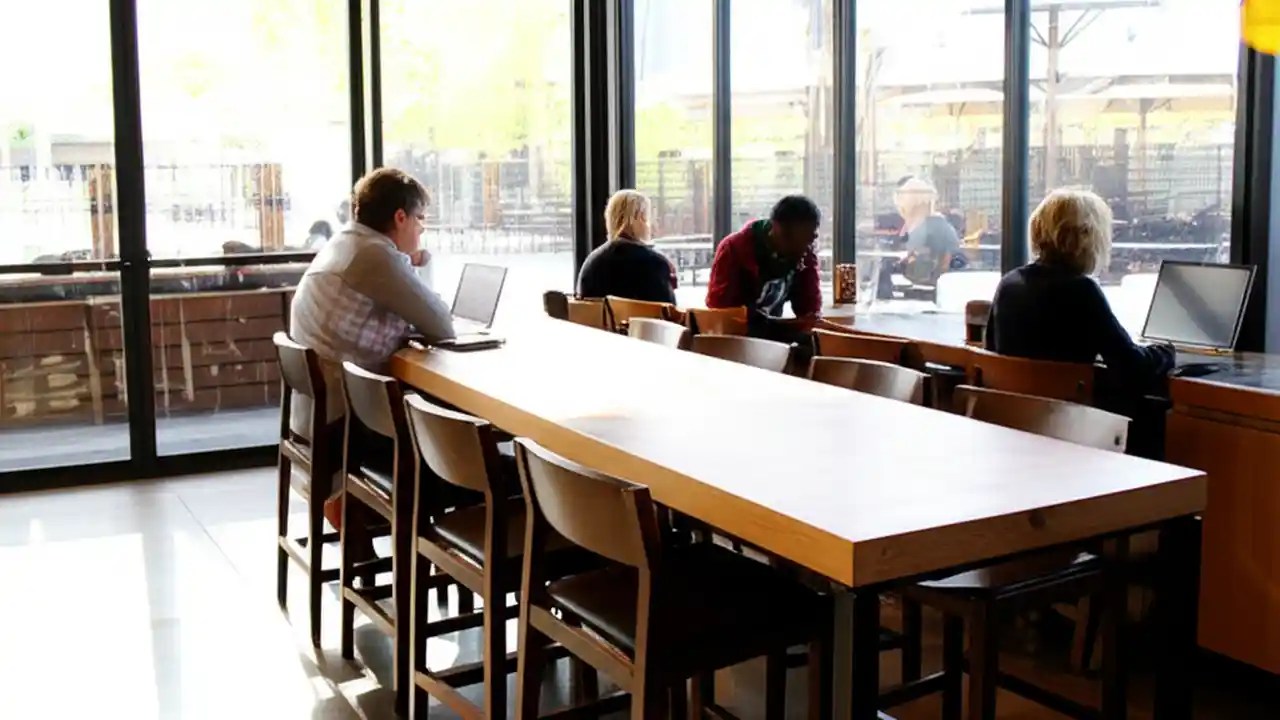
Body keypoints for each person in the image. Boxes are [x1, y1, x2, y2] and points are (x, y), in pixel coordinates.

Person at [290, 167, 455, 528]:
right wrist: (423, 265)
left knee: (444, 431)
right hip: (347, 433)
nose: (422, 228)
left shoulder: (344, 243)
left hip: (319, 421)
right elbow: (441, 326)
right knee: (471, 459)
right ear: (400, 217)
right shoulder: (373, 255)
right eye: (420, 218)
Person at [986, 188, 1174, 386]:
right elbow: (1132, 364)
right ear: (1086, 238)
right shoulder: (1082, 291)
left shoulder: (1009, 284)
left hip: (1014, 410)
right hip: (1066, 413)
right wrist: (1166, 352)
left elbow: (991, 348)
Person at [706, 195, 828, 342]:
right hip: (736, 342)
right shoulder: (734, 249)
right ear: (780, 232)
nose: (808, 248)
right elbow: (721, 314)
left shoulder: (804, 254)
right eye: (803, 241)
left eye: (812, 239)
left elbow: (809, 312)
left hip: (771, 341)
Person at [577, 189, 676, 303]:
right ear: (640, 218)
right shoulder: (654, 263)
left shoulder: (592, 263)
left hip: (596, 321)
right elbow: (669, 313)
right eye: (647, 219)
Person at [878, 178, 964, 298]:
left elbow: (924, 270)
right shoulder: (918, 225)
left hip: (927, 294)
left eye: (902, 200)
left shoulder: (935, 228)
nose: (899, 207)